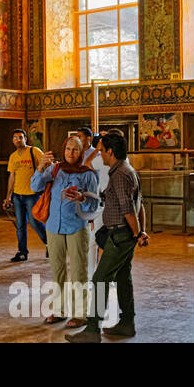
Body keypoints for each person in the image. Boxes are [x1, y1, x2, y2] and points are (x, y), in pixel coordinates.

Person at [65, 131, 148, 342]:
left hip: (121, 235)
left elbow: (129, 209)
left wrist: (138, 233)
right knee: (122, 277)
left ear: (110, 151)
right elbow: (140, 205)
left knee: (100, 278)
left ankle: (92, 330)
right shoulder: (124, 170)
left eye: (101, 151)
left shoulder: (120, 174)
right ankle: (127, 323)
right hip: (123, 233)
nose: (99, 154)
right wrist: (140, 231)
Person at [31, 136, 101, 327]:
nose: (71, 153)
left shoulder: (88, 174)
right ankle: (59, 310)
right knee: (58, 270)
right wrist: (40, 167)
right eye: (68, 149)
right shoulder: (55, 170)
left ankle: (81, 314)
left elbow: (95, 204)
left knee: (79, 271)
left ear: (81, 152)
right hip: (54, 227)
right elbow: (34, 187)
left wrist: (82, 198)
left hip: (77, 227)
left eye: (75, 150)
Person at [3, 129, 47, 262]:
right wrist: (8, 196)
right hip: (17, 196)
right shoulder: (13, 156)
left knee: (34, 222)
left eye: (20, 137)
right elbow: (12, 177)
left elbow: (46, 165)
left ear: (25, 139)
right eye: (15, 138)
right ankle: (22, 252)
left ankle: (50, 244)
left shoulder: (34, 151)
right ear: (12, 140)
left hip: (32, 195)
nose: (18, 140)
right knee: (20, 225)